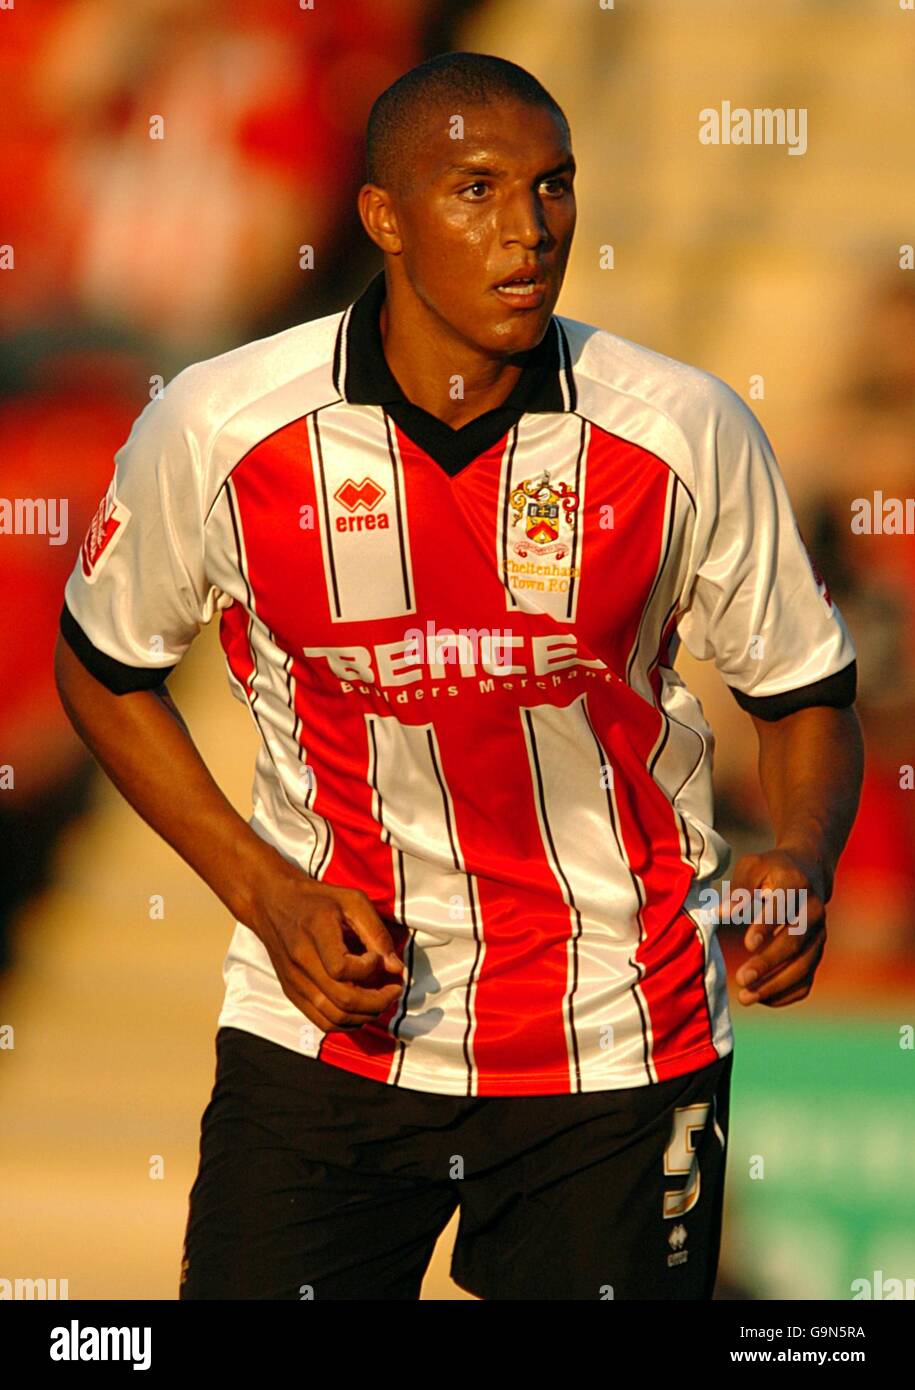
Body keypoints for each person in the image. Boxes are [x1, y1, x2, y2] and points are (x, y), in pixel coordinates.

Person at [53, 52, 863, 1301]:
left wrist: (802, 856)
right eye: (476, 190)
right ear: (382, 217)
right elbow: (101, 665)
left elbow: (805, 693)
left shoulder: (681, 429)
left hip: (617, 1034)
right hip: (326, 1036)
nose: (528, 232)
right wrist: (263, 889)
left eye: (553, 187)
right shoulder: (222, 427)